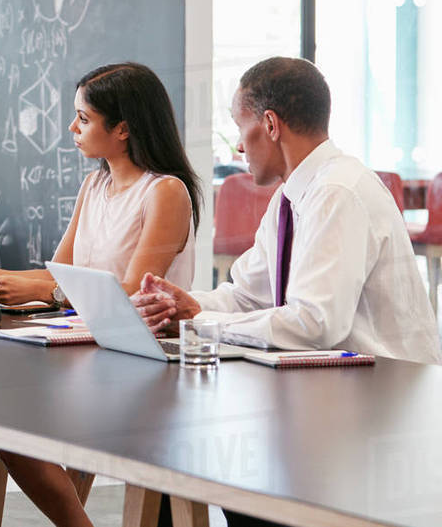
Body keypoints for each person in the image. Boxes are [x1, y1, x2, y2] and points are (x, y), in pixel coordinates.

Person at [132, 57, 442, 527]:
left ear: (270, 125)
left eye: (241, 127)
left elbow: (316, 324)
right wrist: (187, 304)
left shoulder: (338, 192)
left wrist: (201, 322)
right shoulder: (293, 196)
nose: (238, 144)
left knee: (225, 462)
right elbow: (245, 294)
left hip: (382, 410)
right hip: (332, 395)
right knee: (206, 458)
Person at [0, 62, 202, 527]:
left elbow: (130, 295)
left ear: (122, 128)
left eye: (83, 118)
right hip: (90, 351)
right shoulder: (95, 184)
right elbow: (56, 275)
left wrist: (41, 287)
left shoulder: (166, 192)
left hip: (143, 363)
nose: (71, 128)